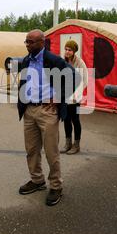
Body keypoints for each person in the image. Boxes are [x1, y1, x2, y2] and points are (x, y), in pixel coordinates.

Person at [17, 29, 76, 206]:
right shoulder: (26, 60)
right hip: (29, 110)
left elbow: (74, 76)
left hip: (47, 111)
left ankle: (56, 186)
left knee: (51, 152)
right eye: (26, 41)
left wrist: (59, 96)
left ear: (42, 42)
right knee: (32, 149)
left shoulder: (53, 60)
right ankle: (37, 180)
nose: (27, 45)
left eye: (31, 42)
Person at [60, 40, 88, 154]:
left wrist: (76, 94)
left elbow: (84, 80)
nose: (67, 52)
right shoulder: (62, 61)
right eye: (66, 49)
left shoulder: (80, 63)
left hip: (75, 96)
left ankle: (76, 145)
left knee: (75, 119)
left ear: (74, 51)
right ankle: (68, 143)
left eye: (69, 50)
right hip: (65, 94)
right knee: (66, 119)